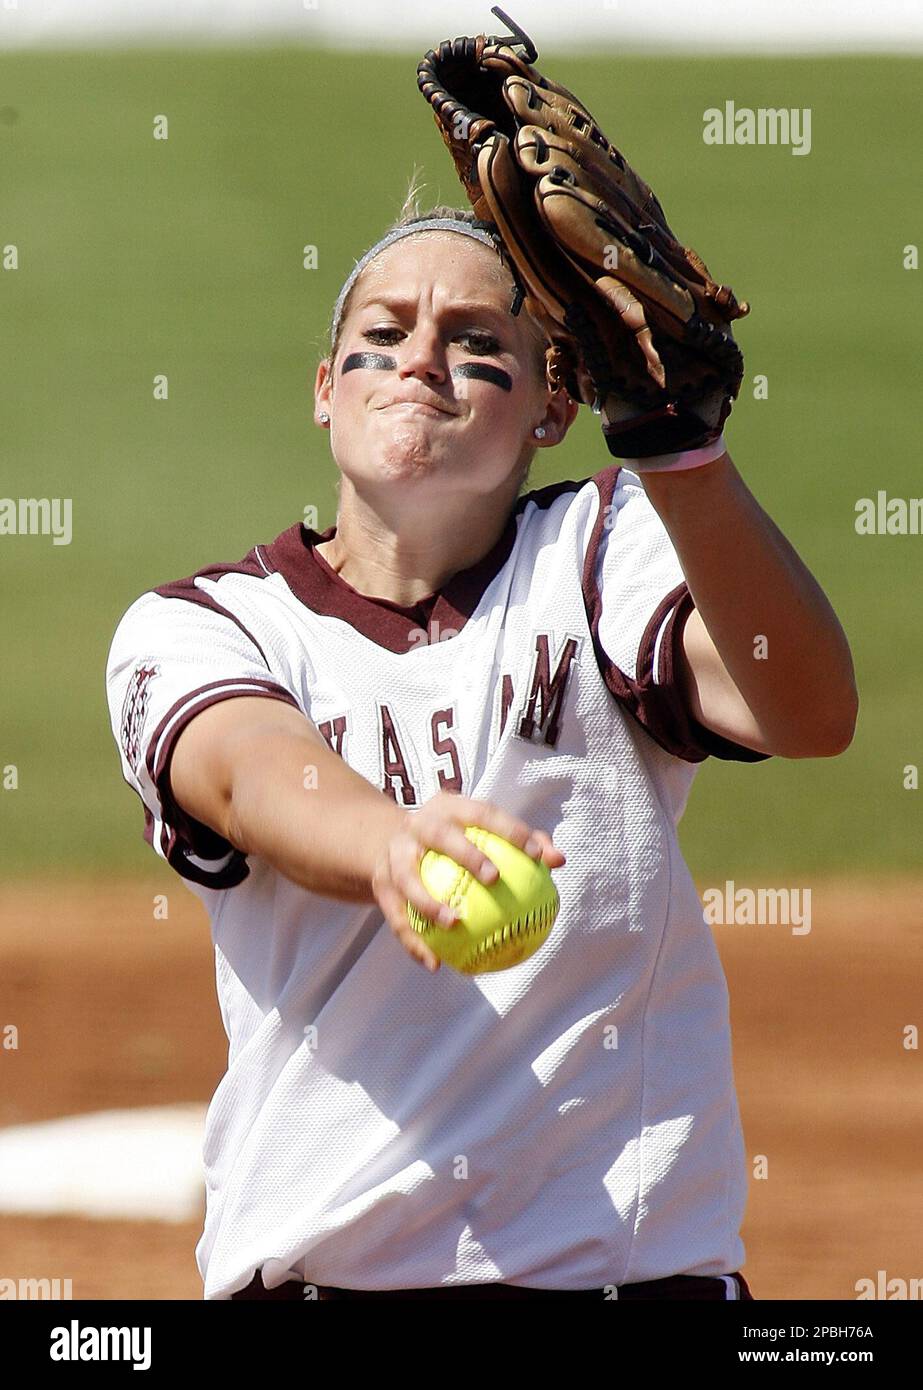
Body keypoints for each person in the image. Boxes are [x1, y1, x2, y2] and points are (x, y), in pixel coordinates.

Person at [105, 187, 858, 1301]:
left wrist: (682, 458)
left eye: (473, 341)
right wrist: (384, 844)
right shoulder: (202, 623)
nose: (420, 360)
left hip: (630, 1279)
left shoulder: (604, 548)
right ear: (324, 391)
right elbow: (246, 763)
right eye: (381, 334)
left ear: (553, 406)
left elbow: (806, 711)